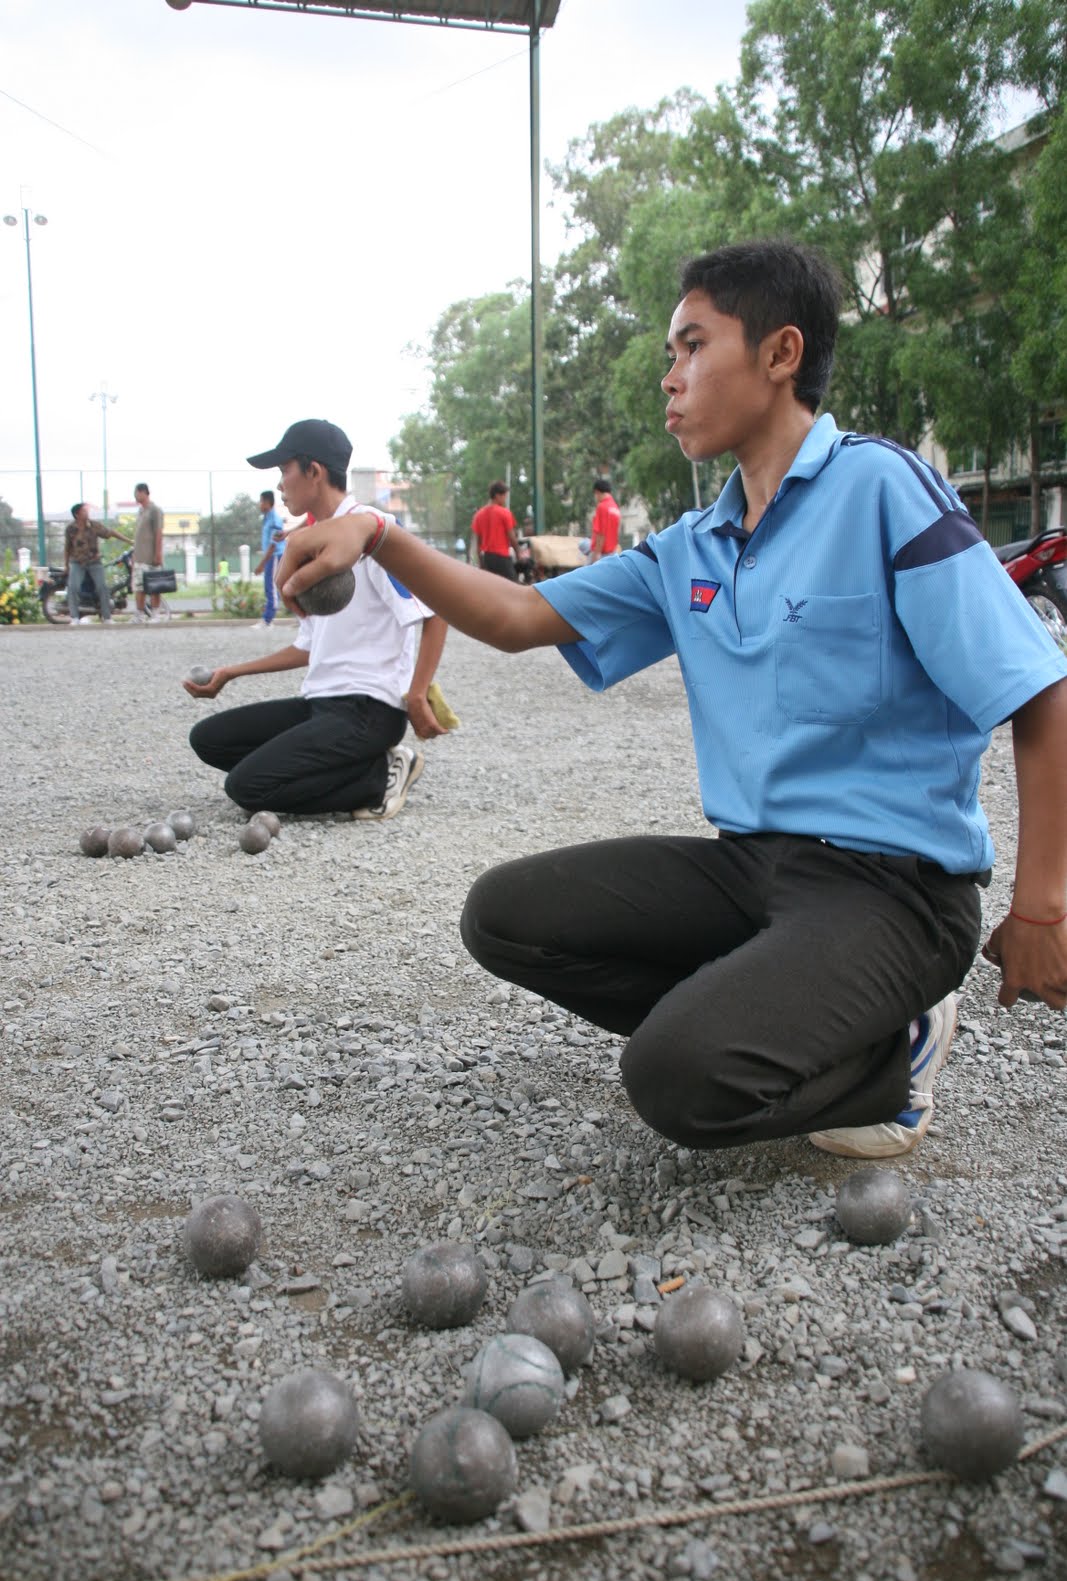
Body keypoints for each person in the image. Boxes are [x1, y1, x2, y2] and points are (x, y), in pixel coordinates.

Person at [277, 240, 1067, 1162]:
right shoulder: (691, 546)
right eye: (670, 353)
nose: (670, 376)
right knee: (505, 916)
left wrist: (1040, 907)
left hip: (894, 893)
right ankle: (794, 1013)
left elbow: (1040, 691)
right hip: (752, 867)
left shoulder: (880, 487)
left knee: (675, 1079)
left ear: (780, 354)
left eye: (693, 346)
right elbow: (516, 615)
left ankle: (890, 1056)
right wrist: (377, 535)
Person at [185, 418, 450, 820]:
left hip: (369, 709)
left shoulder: (375, 532)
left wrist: (416, 693)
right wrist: (231, 673)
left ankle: (380, 776)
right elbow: (308, 646)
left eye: (284, 470)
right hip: (320, 704)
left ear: (314, 471)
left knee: (246, 787)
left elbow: (435, 611)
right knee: (210, 739)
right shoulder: (310, 542)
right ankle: (353, 766)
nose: (279, 485)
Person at [63, 503, 131, 625]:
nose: (87, 513)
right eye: (84, 511)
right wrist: (66, 565)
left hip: (94, 562)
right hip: (77, 563)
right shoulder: (70, 529)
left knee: (102, 587)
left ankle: (107, 617)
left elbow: (110, 533)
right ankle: (74, 617)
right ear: (77, 514)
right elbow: (67, 548)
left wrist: (128, 541)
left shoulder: (94, 526)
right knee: (73, 587)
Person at [252, 490, 286, 630]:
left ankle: (267, 620)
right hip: (270, 557)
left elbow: (273, 545)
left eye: (261, 501)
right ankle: (267, 619)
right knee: (269, 587)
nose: (259, 504)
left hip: (275, 556)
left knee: (272, 588)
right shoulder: (266, 518)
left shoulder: (274, 520)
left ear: (267, 502)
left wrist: (261, 564)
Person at [131, 483, 165, 622]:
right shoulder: (140, 511)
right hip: (139, 557)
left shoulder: (155, 510)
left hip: (151, 557)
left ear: (143, 492)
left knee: (155, 586)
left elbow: (158, 533)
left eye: (136, 493)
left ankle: (156, 614)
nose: (135, 496)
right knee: (139, 587)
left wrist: (158, 554)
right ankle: (139, 614)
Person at [471, 481, 519, 579]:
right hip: (502, 558)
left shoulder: (478, 515)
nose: (505, 500)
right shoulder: (504, 513)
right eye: (504, 496)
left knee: (491, 586)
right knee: (512, 585)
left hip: (487, 559)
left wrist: (481, 563)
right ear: (497, 495)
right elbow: (512, 538)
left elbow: (478, 543)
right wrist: (518, 554)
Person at [589, 478, 621, 561]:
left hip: (602, 553)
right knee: (584, 543)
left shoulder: (602, 507)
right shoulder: (615, 507)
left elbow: (600, 534)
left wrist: (597, 554)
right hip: (612, 552)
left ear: (597, 492)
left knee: (583, 570)